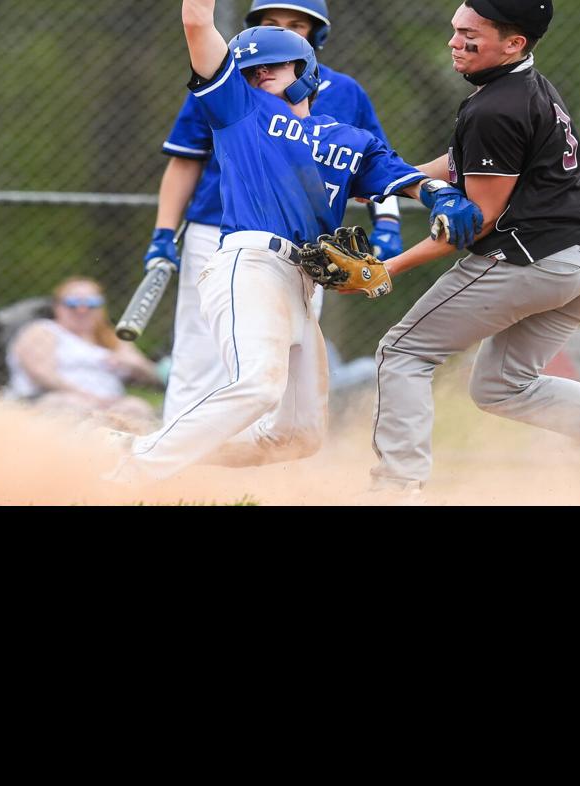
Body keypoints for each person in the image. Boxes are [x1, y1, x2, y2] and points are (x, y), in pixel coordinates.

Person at [364, 1, 580, 496]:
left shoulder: (495, 106)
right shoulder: (528, 87)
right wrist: (391, 181)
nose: (454, 42)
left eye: (470, 33)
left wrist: (388, 267)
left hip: (530, 260)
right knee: (501, 387)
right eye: (454, 30)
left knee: (403, 352)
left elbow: (477, 219)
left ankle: (396, 485)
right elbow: (464, 161)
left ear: (514, 43)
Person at [109, 3, 479, 482]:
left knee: (299, 435)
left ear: (305, 70)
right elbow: (197, 22)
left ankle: (143, 451)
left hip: (304, 279)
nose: (260, 73)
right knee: (258, 386)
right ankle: (127, 474)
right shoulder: (241, 111)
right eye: (251, 68)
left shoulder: (348, 137)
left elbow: (400, 177)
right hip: (251, 264)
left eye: (273, 65)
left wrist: (441, 196)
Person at [145, 0, 405, 432]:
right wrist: (163, 232)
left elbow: (376, 162)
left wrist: (389, 222)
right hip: (221, 228)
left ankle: (254, 462)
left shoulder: (346, 92)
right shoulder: (230, 80)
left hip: (308, 244)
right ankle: (178, 460)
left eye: (296, 25)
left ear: (315, 37)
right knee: (199, 350)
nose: (283, 32)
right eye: (271, 24)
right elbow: (186, 160)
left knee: (284, 356)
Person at [6, 276, 162, 431]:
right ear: (57, 307)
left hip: (108, 403)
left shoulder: (113, 339)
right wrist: (87, 396)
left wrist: (134, 364)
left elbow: (153, 375)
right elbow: (41, 374)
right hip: (52, 398)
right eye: (73, 304)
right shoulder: (43, 331)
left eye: (92, 304)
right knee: (74, 406)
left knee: (136, 407)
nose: (82, 310)